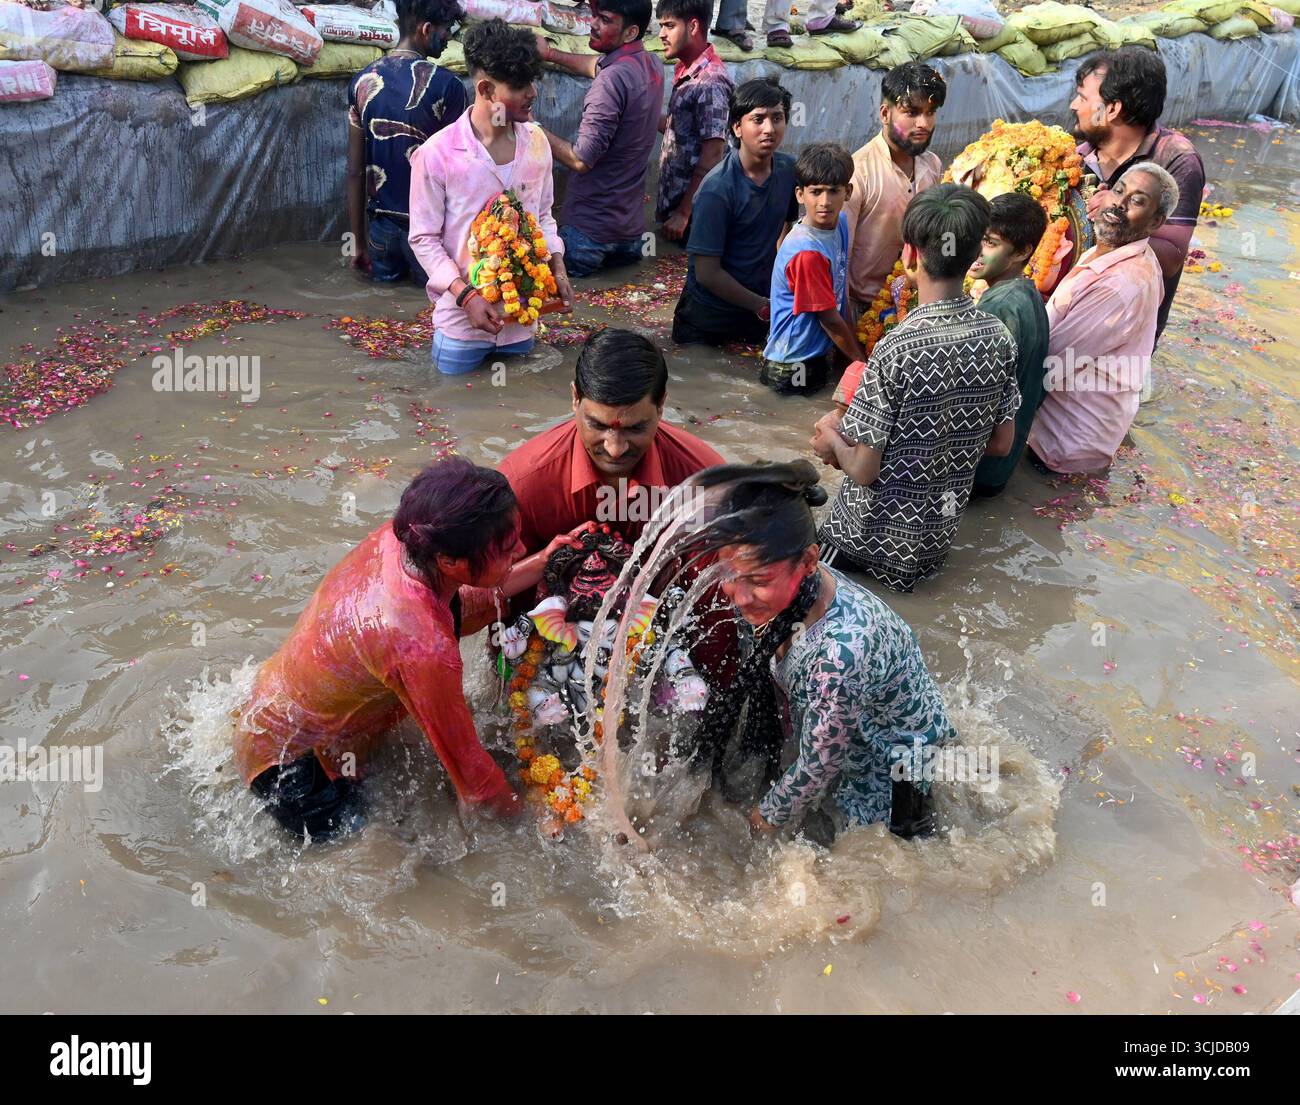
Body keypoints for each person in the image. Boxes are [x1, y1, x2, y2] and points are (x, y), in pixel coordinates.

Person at [232, 458, 593, 841]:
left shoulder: (405, 537)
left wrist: (543, 562)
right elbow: (476, 785)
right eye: (506, 548)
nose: (521, 547)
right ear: (449, 560)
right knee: (370, 847)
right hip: (290, 768)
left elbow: (460, 608)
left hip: (274, 708)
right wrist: (535, 830)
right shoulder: (419, 643)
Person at [685, 461, 955, 842]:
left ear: (810, 561)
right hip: (845, 722)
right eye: (729, 576)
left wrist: (758, 823)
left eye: (758, 582)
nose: (738, 596)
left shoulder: (841, 653)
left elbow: (819, 764)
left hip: (893, 763)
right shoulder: (787, 592)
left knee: (868, 849)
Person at [812, 184, 1020, 592]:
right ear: (974, 255)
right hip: (932, 545)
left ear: (909, 254)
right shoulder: (998, 338)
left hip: (861, 539)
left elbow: (863, 469)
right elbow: (1000, 444)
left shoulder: (898, 347)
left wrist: (831, 443)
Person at [408, 19, 573, 376]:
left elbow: (543, 217)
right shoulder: (438, 154)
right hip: (460, 325)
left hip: (522, 321)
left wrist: (557, 263)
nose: (533, 93)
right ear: (485, 89)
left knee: (519, 409)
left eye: (532, 82)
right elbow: (423, 238)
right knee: (455, 413)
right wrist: (466, 296)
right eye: (519, 86)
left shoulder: (538, 144)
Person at [498, 327, 724, 558]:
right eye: (598, 425)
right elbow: (483, 586)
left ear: (661, 405)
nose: (615, 450)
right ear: (575, 398)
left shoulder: (705, 483)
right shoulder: (522, 485)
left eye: (635, 428)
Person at [1026, 163, 1173, 475]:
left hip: (1058, 447)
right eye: (1119, 191)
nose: (1119, 203)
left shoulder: (1120, 286)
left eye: (1137, 201)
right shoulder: (1111, 253)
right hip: (1080, 436)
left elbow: (1050, 362)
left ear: (1156, 221)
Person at [1070, 46, 1205, 342]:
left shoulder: (1174, 159)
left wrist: (1117, 213)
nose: (1073, 105)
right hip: (1069, 316)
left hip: (1124, 333)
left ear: (1113, 109)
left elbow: (1171, 258)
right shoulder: (1076, 156)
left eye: (1082, 98)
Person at [535, 0, 662, 277]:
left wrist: (530, 127)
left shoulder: (610, 82)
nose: (592, 24)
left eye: (604, 19)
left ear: (630, 32)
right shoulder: (652, 64)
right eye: (594, 16)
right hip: (631, 238)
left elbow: (581, 160)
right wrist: (551, 54)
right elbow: (597, 66)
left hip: (587, 237)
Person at [671, 77, 799, 347]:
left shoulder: (789, 171)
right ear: (737, 127)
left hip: (759, 311)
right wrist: (763, 306)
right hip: (708, 321)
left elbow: (785, 235)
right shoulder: (716, 189)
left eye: (777, 118)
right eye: (758, 119)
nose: (769, 129)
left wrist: (783, 293)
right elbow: (707, 273)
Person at [346, 0, 467, 284]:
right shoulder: (449, 86)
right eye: (446, 30)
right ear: (426, 30)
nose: (448, 39)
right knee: (437, 310)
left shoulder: (362, 81)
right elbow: (459, 173)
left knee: (382, 313)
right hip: (429, 235)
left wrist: (357, 243)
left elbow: (354, 171)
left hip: (381, 233)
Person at [761, 142, 865, 396]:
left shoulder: (839, 222)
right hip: (790, 366)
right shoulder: (807, 253)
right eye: (816, 192)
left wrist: (851, 357)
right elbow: (829, 319)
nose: (825, 202)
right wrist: (864, 366)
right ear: (800, 194)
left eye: (833, 191)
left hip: (815, 356)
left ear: (848, 192)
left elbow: (841, 294)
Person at [845, 62, 947, 314]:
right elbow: (838, 263)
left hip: (916, 303)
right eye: (912, 112)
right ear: (885, 114)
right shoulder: (858, 172)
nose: (923, 123)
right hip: (862, 309)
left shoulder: (932, 165)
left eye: (931, 112)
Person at [968, 192, 1051, 497]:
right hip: (1001, 466)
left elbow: (975, 399)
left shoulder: (999, 309)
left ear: (1021, 252)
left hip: (977, 471)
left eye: (990, 243)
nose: (977, 250)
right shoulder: (1029, 295)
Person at [655, 0, 733, 244]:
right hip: (678, 211)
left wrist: (684, 212)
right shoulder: (687, 70)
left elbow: (713, 153)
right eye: (661, 26)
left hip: (693, 218)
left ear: (693, 26)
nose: (661, 34)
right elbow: (682, 129)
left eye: (669, 25)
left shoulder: (710, 83)